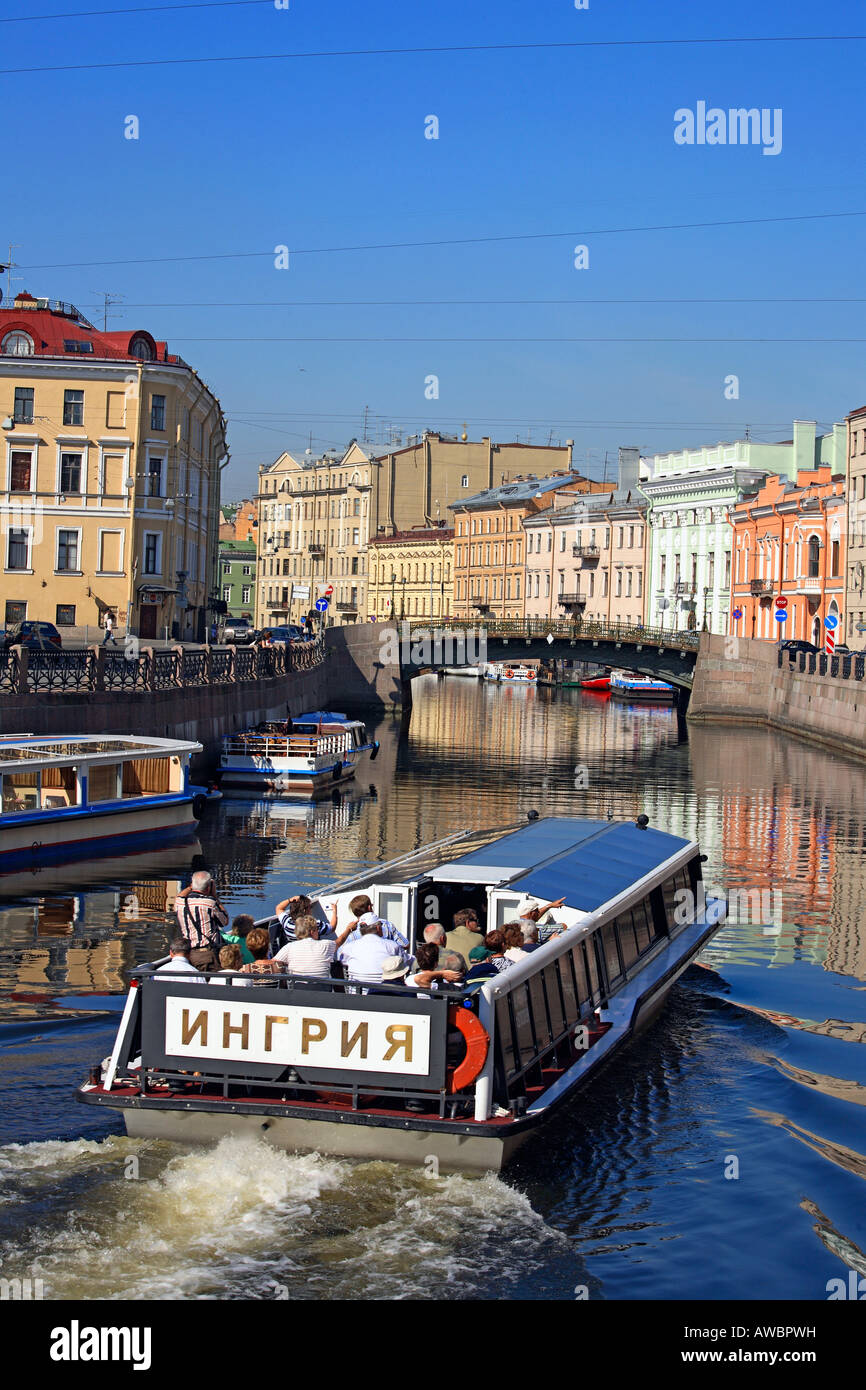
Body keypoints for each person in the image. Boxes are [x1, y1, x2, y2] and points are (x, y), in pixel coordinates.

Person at [175, 870, 229, 972]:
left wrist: (193, 886)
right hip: (208, 955)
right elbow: (225, 921)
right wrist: (215, 896)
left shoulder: (180, 902)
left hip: (189, 954)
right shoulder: (210, 903)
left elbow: (180, 895)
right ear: (208, 887)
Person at [337, 920, 404, 987]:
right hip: (384, 993)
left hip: (356, 993)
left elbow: (340, 960)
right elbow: (404, 963)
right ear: (378, 928)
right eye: (381, 925)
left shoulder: (348, 947)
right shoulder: (392, 945)